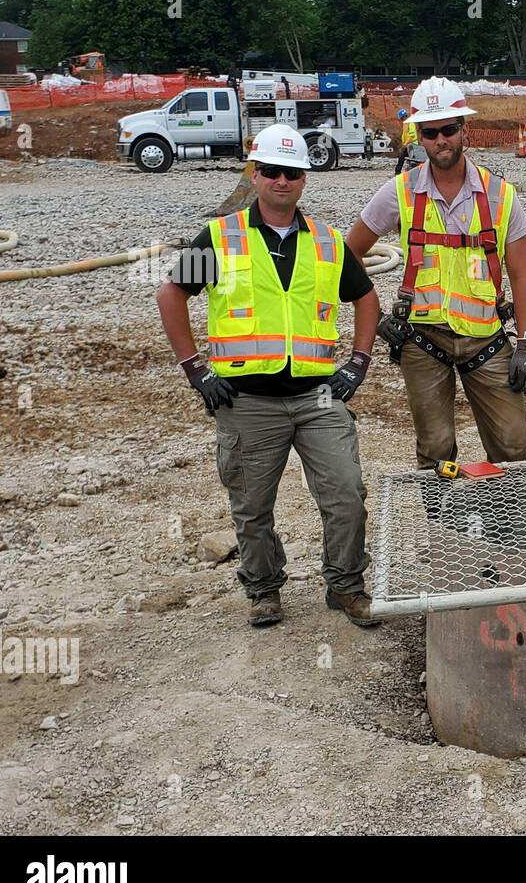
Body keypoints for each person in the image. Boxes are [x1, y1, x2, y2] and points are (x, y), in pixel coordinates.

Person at [155, 123, 383, 629]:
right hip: (247, 400)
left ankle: (345, 585)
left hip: (319, 397)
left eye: (292, 173)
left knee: (346, 493)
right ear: (255, 174)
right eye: (272, 171)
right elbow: (171, 294)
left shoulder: (327, 241)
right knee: (253, 506)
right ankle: (263, 589)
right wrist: (196, 370)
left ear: (304, 179)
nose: (283, 181)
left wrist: (358, 362)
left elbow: (366, 297)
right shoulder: (218, 236)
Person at [346, 76, 526, 470]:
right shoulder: (399, 192)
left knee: (513, 445)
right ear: (418, 134)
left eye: (449, 129)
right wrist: (378, 320)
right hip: (422, 338)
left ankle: (504, 516)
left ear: (464, 129)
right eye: (430, 133)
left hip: (485, 337)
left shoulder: (500, 195)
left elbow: (520, 275)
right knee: (435, 447)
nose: (440, 141)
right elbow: (347, 256)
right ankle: (443, 523)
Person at [394, 107, 424, 175]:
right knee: (403, 157)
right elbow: (405, 135)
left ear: (405, 116)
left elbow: (411, 136)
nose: (401, 120)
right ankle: (399, 172)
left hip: (412, 145)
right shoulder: (405, 124)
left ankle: (397, 172)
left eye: (402, 118)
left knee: (401, 157)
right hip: (408, 145)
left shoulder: (411, 123)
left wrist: (405, 145)